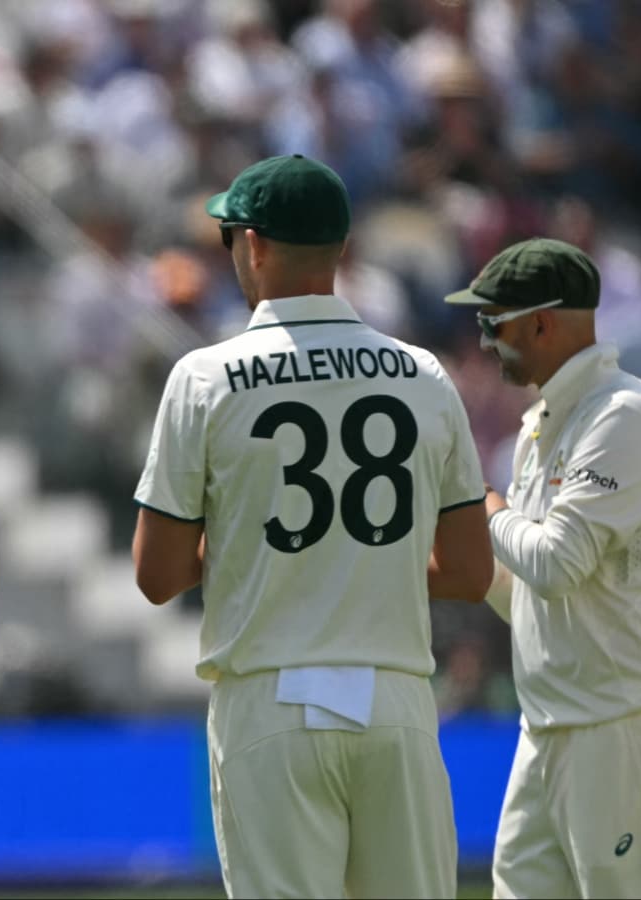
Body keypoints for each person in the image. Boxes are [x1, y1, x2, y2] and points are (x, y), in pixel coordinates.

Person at [132, 153, 494, 898]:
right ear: (342, 248)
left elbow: (158, 575)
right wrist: (355, 562)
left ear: (255, 245)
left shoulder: (204, 377)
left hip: (270, 699)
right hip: (396, 699)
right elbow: (467, 571)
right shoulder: (423, 374)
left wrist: (254, 542)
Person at [447, 238, 641, 898]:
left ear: (543, 321)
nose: (484, 342)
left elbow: (558, 561)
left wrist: (484, 507)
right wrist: (459, 566)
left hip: (624, 730)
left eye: (493, 322)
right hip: (548, 731)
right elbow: (538, 592)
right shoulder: (543, 422)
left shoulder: (624, 416)